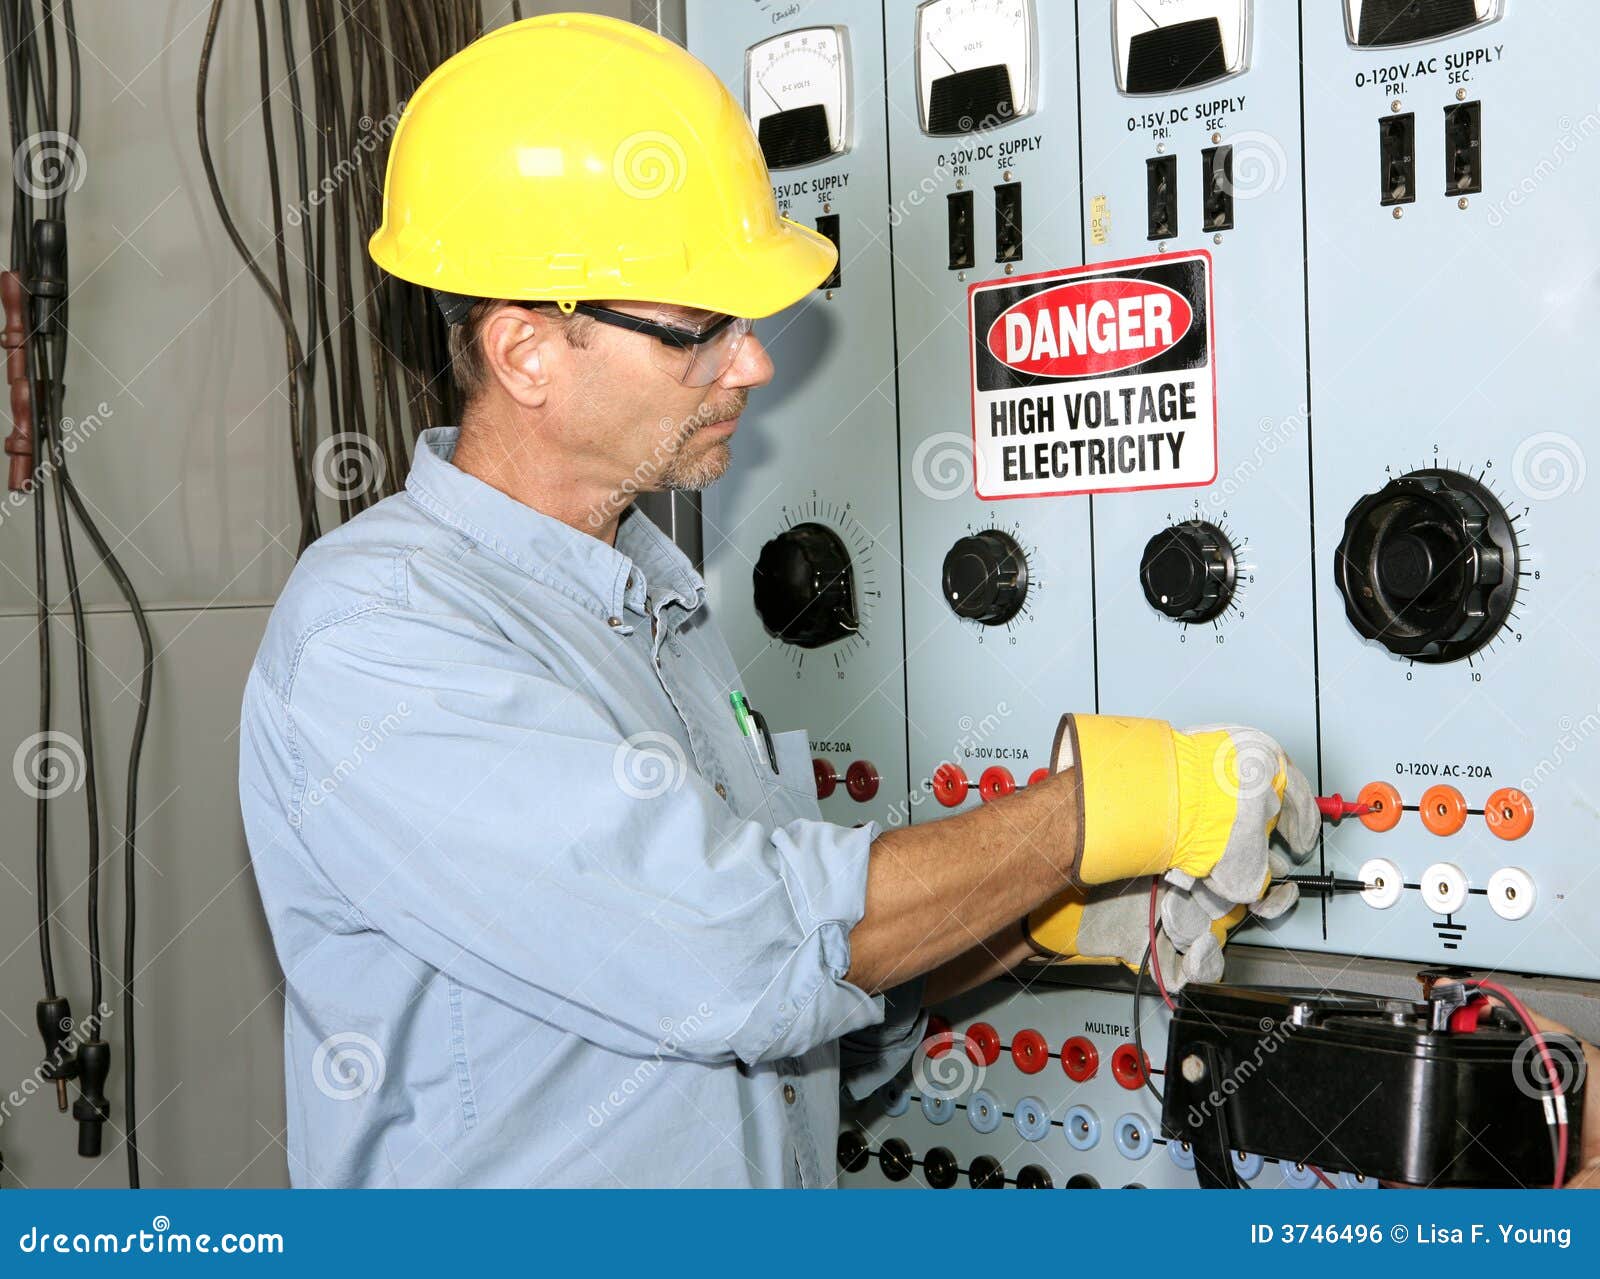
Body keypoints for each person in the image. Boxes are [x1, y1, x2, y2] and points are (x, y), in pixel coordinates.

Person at [236, 13, 1314, 1188]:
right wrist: (1094, 810)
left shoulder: (648, 606)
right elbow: (732, 952)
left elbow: (798, 1002)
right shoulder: (380, 637)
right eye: (699, 331)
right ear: (526, 352)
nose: (749, 363)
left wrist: (1026, 914)